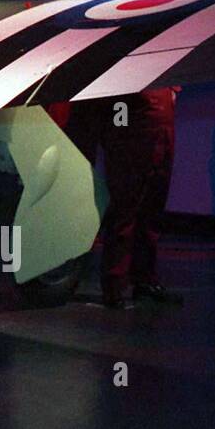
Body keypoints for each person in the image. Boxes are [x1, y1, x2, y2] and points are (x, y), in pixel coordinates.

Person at [62, 87, 183, 309]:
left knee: (151, 207)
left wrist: (172, 90)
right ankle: (115, 285)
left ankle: (144, 281)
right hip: (133, 120)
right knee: (126, 206)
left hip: (158, 118)